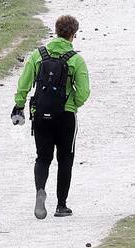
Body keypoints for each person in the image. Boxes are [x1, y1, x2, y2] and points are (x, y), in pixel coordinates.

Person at [11, 14, 90, 219]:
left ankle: (40, 191)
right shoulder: (76, 60)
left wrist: (19, 105)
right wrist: (72, 104)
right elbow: (83, 92)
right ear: (73, 34)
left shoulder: (38, 55)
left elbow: (24, 84)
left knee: (43, 157)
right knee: (65, 159)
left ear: (55, 31)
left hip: (40, 115)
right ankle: (61, 206)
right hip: (65, 116)